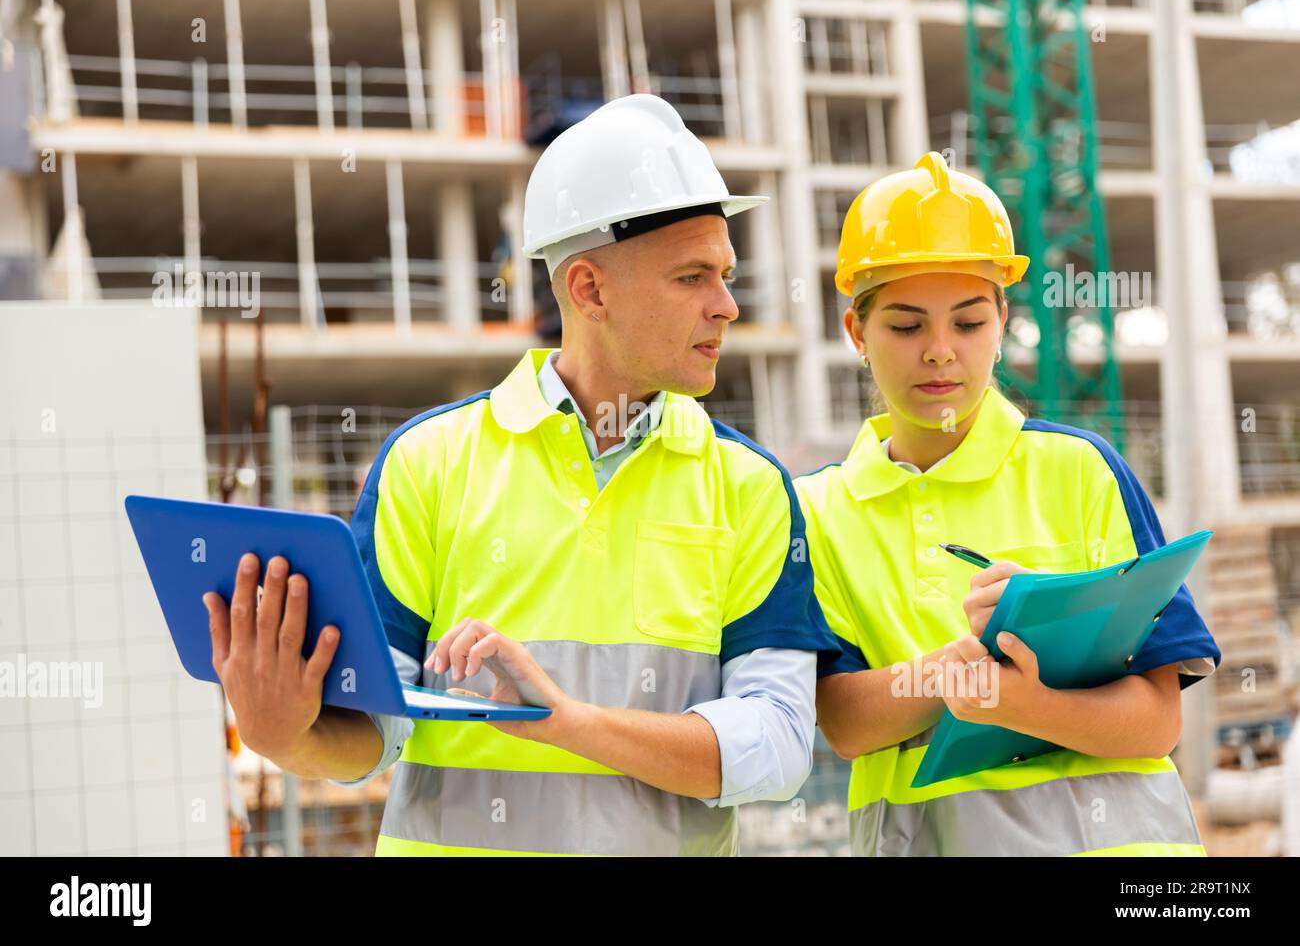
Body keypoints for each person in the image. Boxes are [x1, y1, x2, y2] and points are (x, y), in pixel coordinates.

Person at [204, 94, 839, 856]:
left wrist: (569, 722)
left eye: (726, 274)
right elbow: (377, 727)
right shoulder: (428, 462)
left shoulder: (750, 487)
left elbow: (776, 749)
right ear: (589, 289)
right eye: (692, 278)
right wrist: (287, 736)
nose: (727, 306)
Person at [796, 151, 1221, 856]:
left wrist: (1029, 702)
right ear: (856, 334)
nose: (939, 353)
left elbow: (1157, 721)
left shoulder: (1081, 470)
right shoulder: (817, 510)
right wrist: (953, 673)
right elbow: (842, 723)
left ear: (1002, 321)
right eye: (905, 326)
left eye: (968, 324)